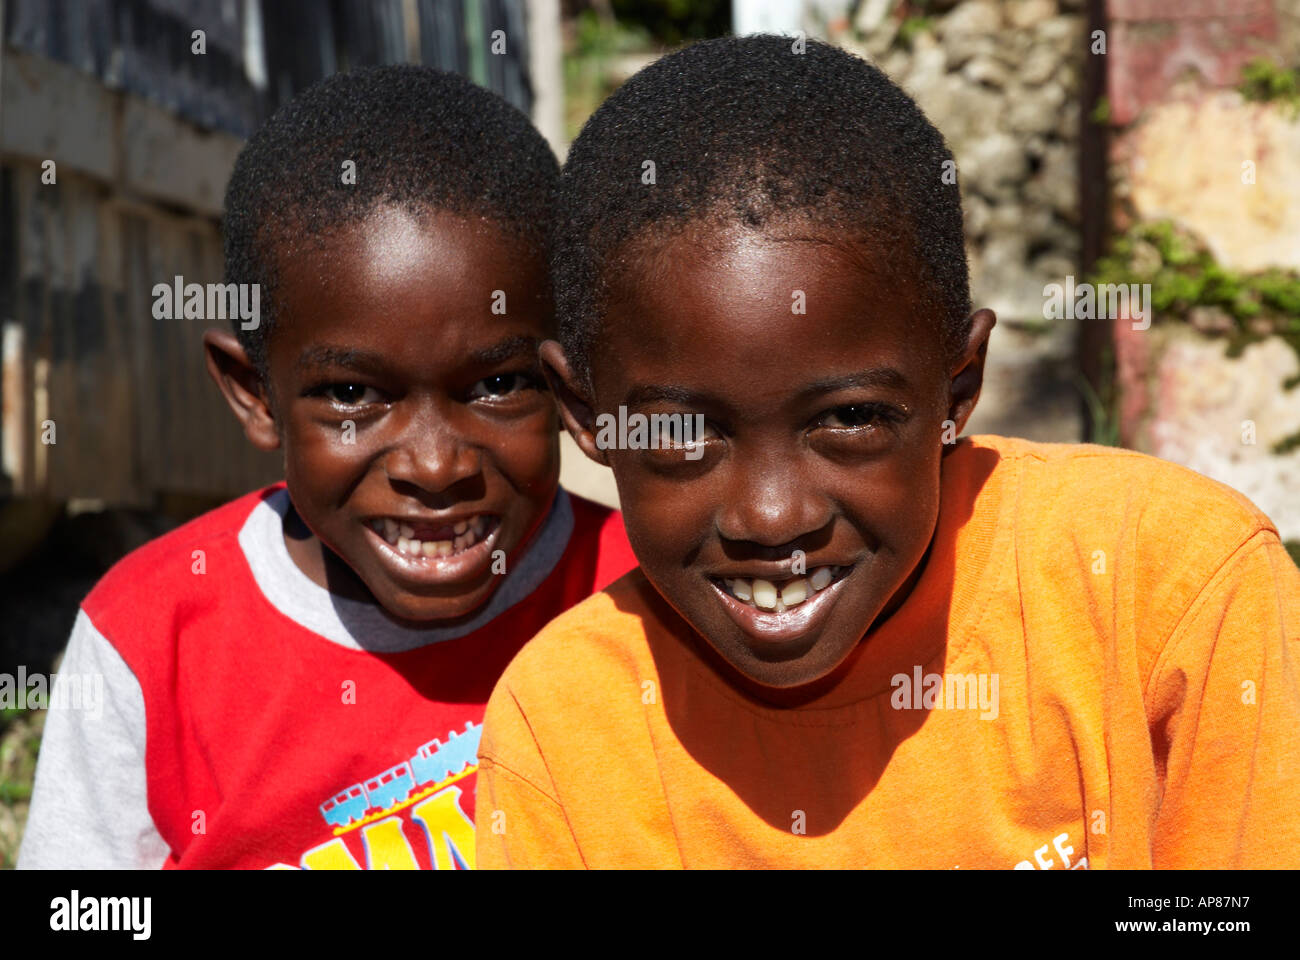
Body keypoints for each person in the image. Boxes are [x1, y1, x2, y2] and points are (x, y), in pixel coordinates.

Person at [475, 36, 1300, 869]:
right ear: (584, 415)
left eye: (851, 418)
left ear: (958, 387)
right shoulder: (565, 734)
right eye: (685, 433)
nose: (772, 514)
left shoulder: (1166, 588)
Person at [19, 65, 635, 870]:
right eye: (352, 394)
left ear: (568, 379)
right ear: (255, 394)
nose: (436, 463)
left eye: (497, 384)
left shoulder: (640, 603)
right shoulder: (153, 637)